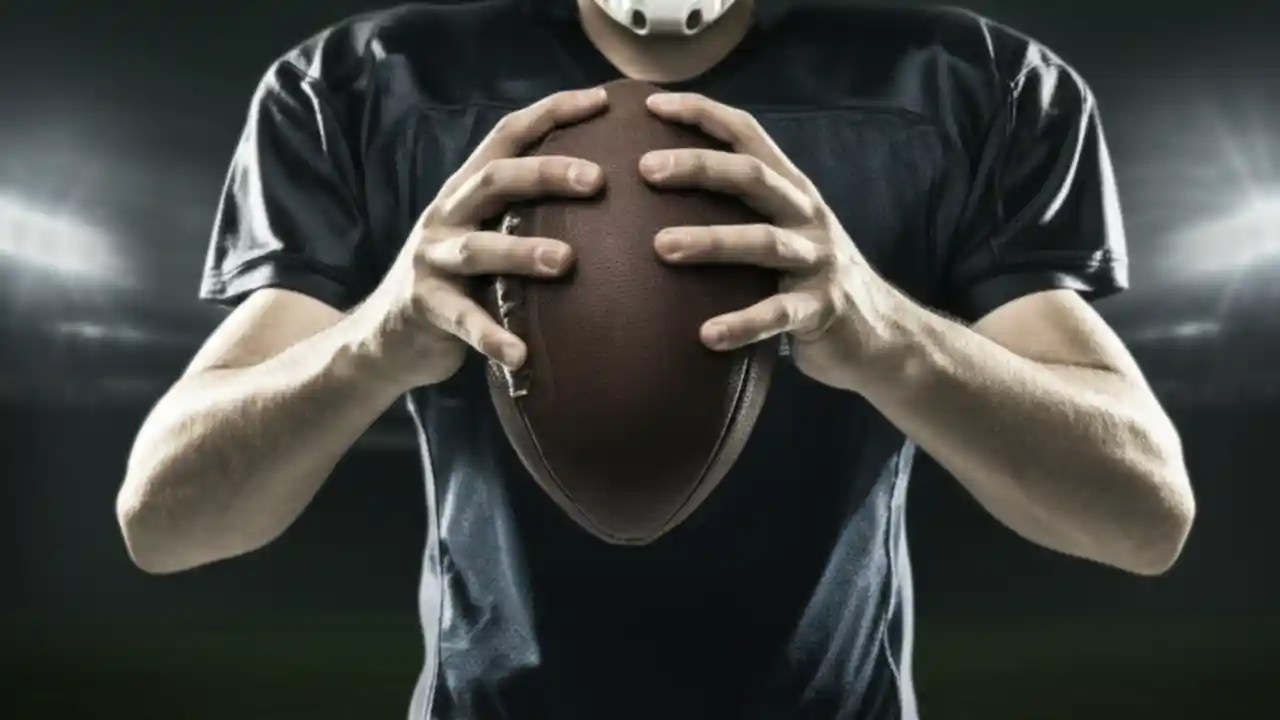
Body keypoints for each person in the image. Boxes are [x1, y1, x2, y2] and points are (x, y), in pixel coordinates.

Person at [115, 0, 1197, 717]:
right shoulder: (360, 86)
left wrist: (883, 335)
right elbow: (163, 521)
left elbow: (1142, 515)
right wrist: (376, 339)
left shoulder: (976, 84)